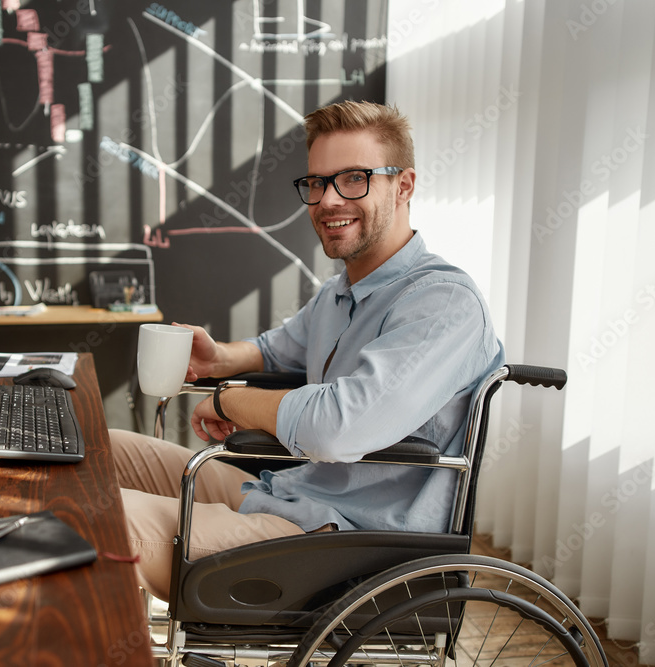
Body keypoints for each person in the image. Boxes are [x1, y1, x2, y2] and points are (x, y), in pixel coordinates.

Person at [110, 100, 505, 600]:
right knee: (106, 451)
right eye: (318, 182)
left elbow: (336, 428)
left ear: (403, 185)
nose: (328, 200)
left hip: (345, 543)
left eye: (354, 178)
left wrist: (229, 399)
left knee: (95, 519)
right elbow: (279, 349)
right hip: (288, 497)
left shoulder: (442, 303)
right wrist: (222, 360)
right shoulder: (340, 293)